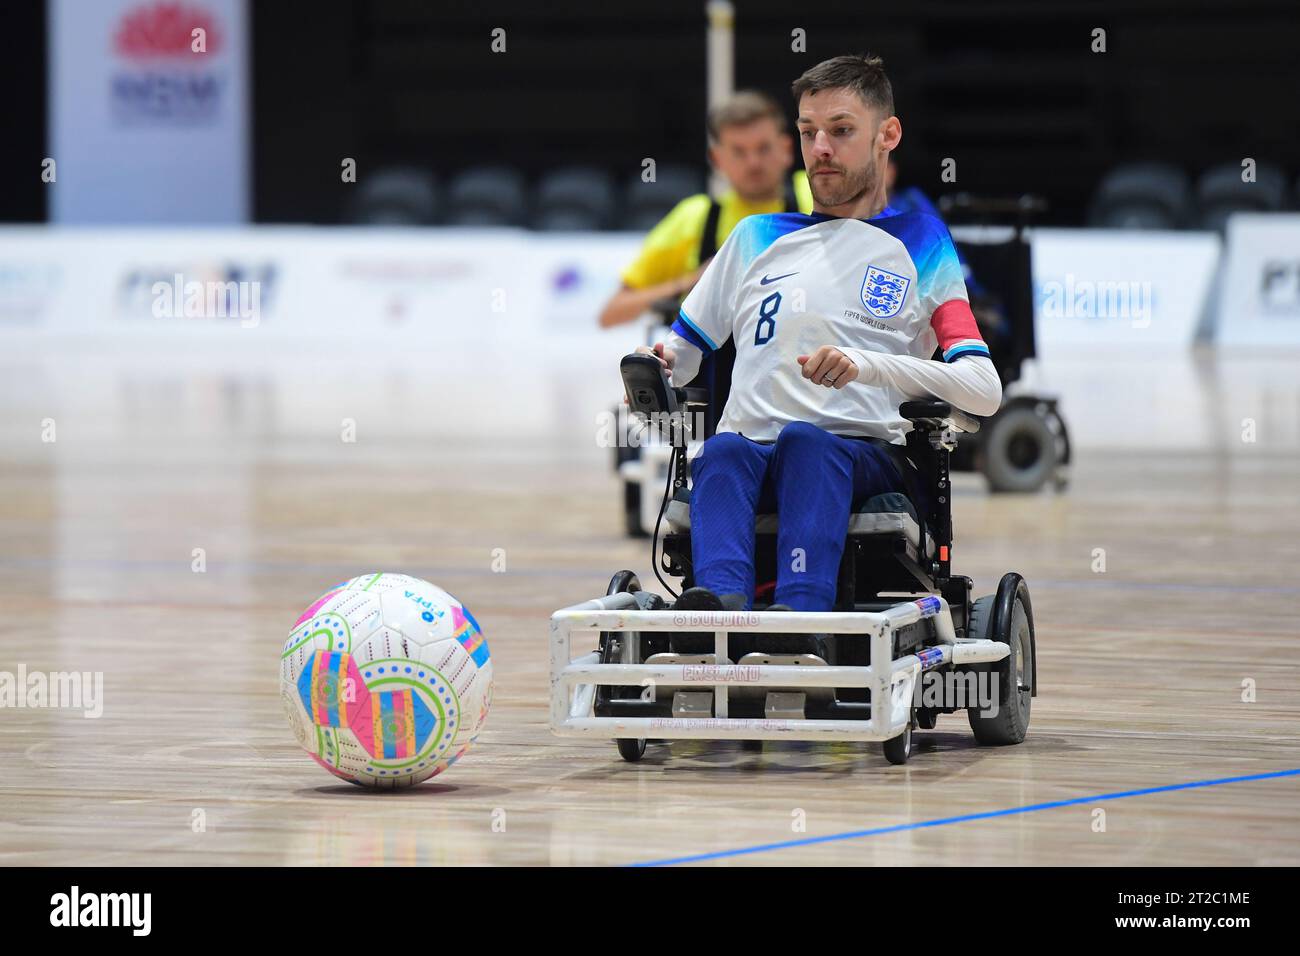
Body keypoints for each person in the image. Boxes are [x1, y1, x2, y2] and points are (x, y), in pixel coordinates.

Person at [635, 54, 1002, 655]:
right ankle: (717, 614)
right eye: (809, 132)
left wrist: (869, 365)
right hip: (750, 451)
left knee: (808, 441)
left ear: (889, 135)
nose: (821, 148)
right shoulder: (756, 236)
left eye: (841, 130)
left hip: (860, 454)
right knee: (721, 448)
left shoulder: (920, 242)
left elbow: (983, 387)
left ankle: (801, 617)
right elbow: (685, 353)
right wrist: (659, 366)